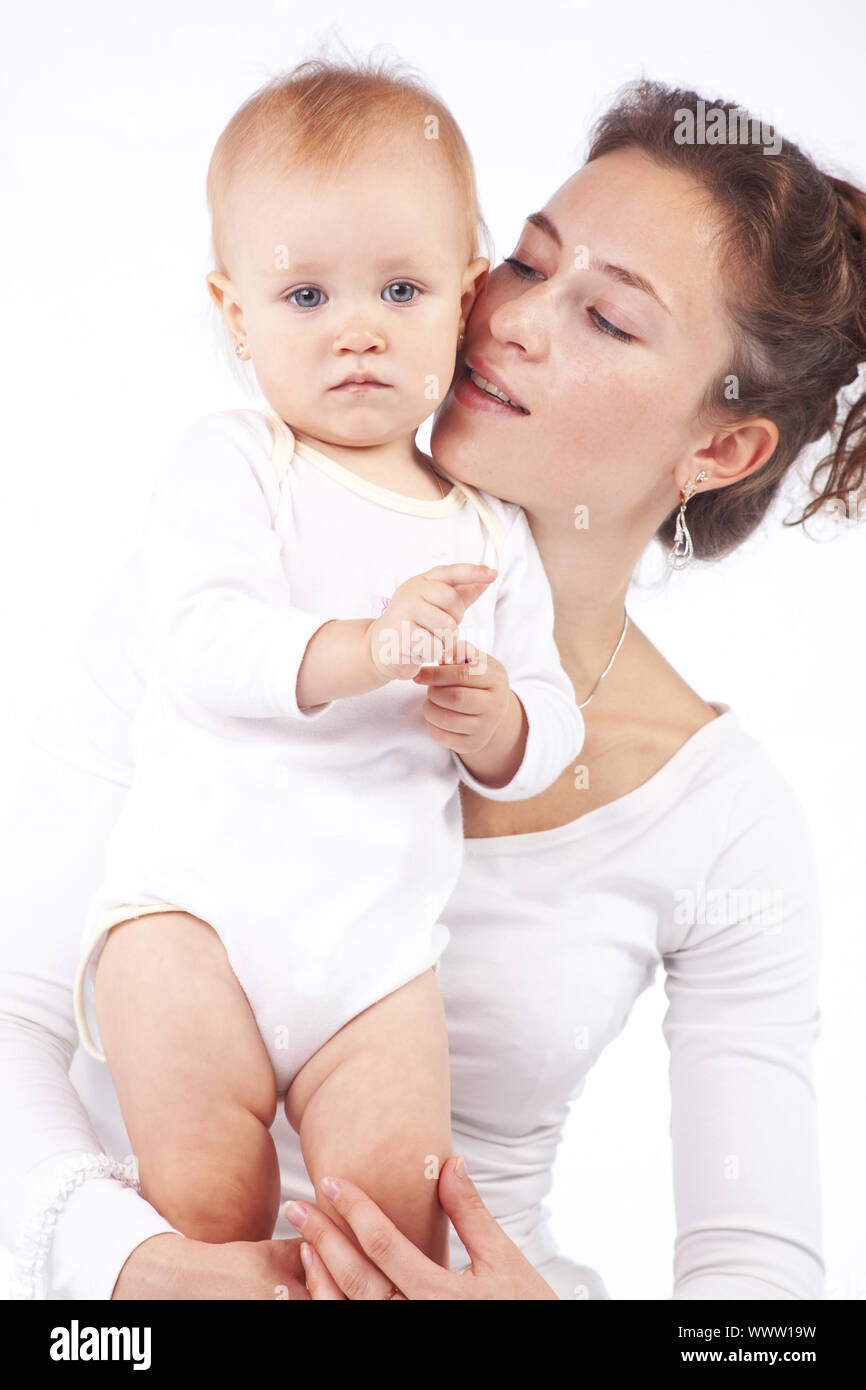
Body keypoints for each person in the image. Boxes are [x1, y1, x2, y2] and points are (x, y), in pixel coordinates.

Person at [3, 74, 863, 1300]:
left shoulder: (726, 822)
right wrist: (135, 1269)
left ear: (717, 447)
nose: (507, 318)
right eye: (524, 260)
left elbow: (764, 1307)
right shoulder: (224, 577)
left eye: (606, 319)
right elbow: (12, 1019)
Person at [69, 57, 584, 1268]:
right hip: (189, 927)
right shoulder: (238, 464)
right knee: (204, 1213)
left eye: (400, 288)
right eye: (304, 296)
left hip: (374, 964)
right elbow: (200, 644)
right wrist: (371, 646)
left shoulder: (485, 531)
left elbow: (552, 718)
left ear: (464, 300)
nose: (356, 328)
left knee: (381, 1231)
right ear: (233, 310)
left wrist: (497, 718)